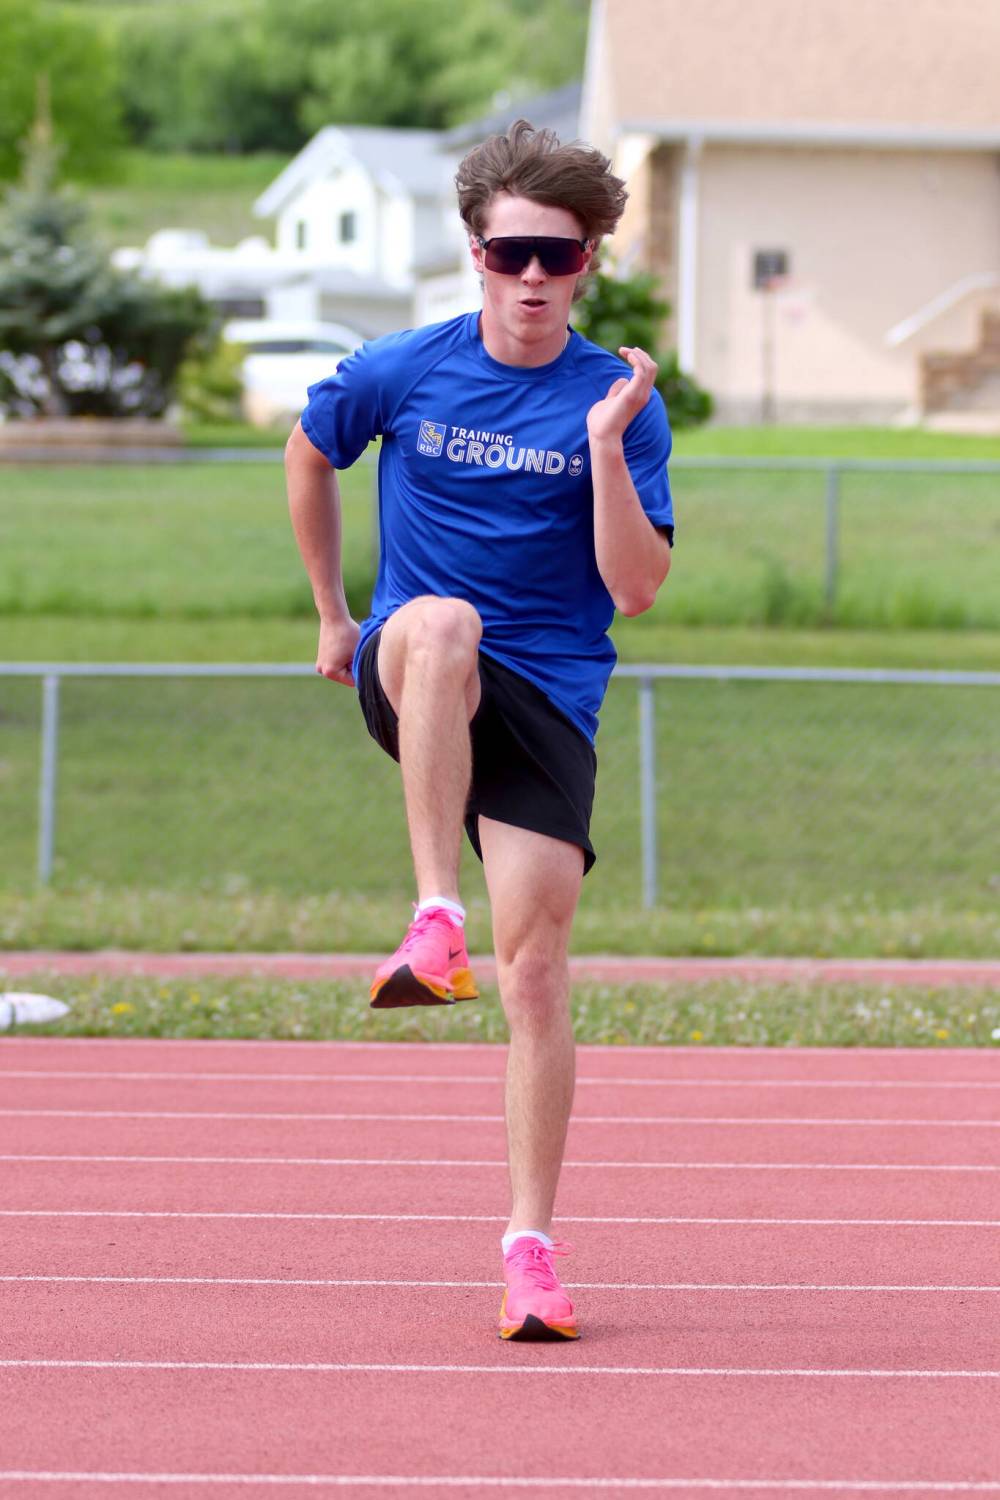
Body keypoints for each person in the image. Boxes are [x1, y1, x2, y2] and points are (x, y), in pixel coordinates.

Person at [284, 119, 673, 1342]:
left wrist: (603, 446)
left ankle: (528, 1251)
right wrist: (334, 613)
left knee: (539, 974)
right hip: (417, 660)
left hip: (547, 695)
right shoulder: (404, 369)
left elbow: (635, 590)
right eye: (511, 253)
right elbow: (308, 450)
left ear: (588, 260)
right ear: (475, 254)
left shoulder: (620, 405)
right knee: (446, 621)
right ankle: (431, 913)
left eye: (557, 255)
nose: (533, 278)